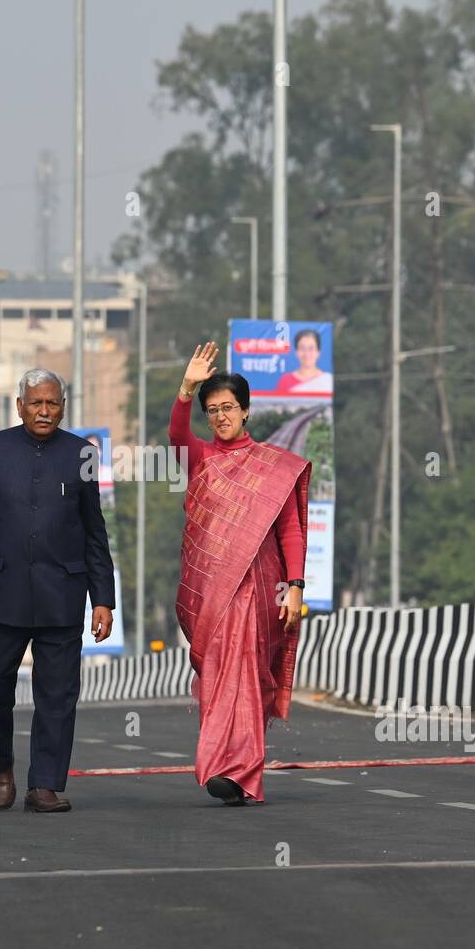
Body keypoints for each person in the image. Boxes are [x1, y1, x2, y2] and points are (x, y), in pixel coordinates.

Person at [0, 369, 115, 813]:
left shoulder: (82, 454)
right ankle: (0, 762)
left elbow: (95, 532)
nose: (44, 411)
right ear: (19, 405)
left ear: (64, 406)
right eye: (35, 403)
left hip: (63, 593)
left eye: (52, 403)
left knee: (57, 693)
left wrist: (103, 598)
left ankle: (44, 785)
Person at [169, 342, 311, 806]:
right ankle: (223, 765)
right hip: (214, 593)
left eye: (228, 408)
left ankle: (241, 771)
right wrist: (185, 391)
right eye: (212, 411)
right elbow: (176, 438)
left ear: (246, 411)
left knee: (247, 675)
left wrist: (295, 587)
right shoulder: (203, 459)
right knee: (218, 675)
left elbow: (290, 530)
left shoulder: (274, 468)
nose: (221, 417)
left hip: (260, 591)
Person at [275, 327, 333, 396]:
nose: (306, 353)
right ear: (296, 352)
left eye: (311, 348)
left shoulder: (328, 381)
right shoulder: (285, 381)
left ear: (318, 352)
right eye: (302, 348)